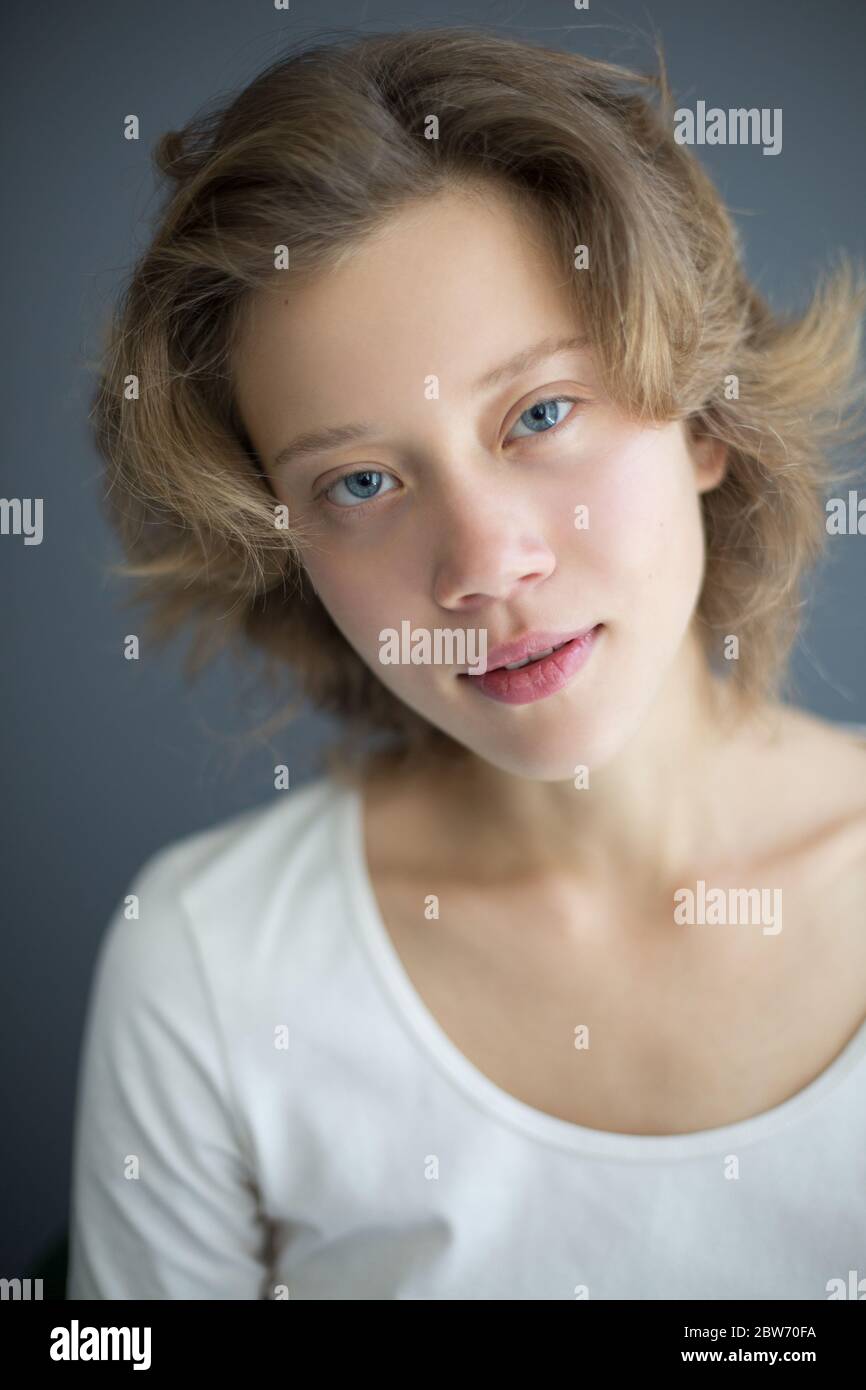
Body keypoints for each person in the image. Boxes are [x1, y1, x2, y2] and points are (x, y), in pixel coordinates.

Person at [67, 26, 866, 1301]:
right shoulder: (212, 964)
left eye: (540, 414)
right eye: (362, 481)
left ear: (702, 414)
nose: (482, 566)